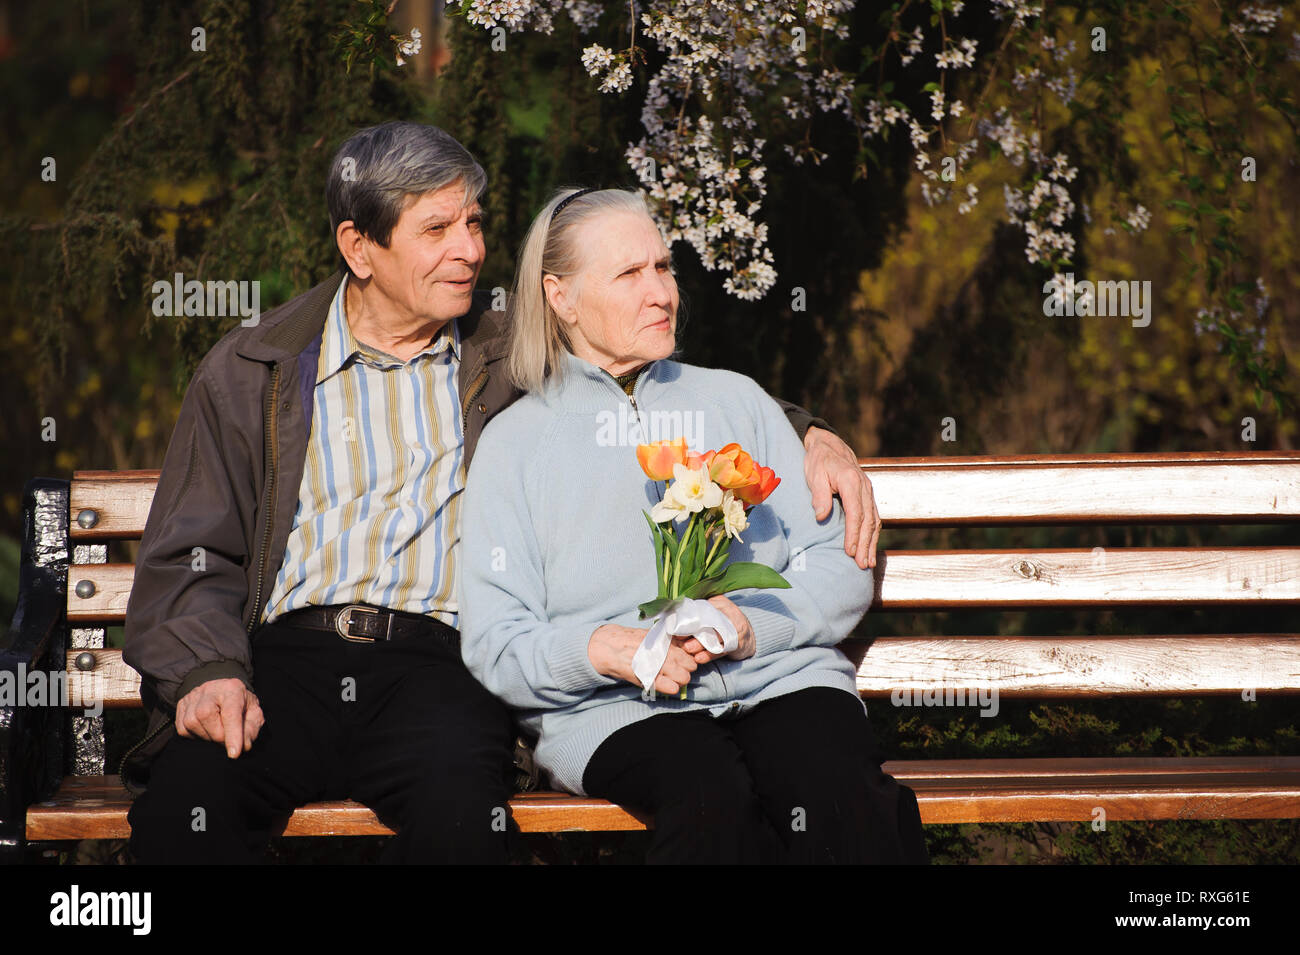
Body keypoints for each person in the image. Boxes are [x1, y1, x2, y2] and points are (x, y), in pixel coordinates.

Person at [121, 123, 882, 864]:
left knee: (464, 818)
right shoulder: (257, 368)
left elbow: (639, 364)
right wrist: (206, 669)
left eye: (474, 222)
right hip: (282, 660)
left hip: (437, 667)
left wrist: (810, 431)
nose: (470, 249)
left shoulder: (503, 350)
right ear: (359, 247)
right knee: (185, 813)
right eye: (436, 229)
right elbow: (192, 552)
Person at [459, 187, 928, 864]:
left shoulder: (734, 398)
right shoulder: (515, 444)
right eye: (630, 274)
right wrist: (609, 649)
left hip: (781, 679)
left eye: (664, 267)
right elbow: (498, 644)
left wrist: (746, 624)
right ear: (559, 296)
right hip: (617, 708)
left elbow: (837, 562)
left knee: (837, 797)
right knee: (708, 799)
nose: (662, 293)